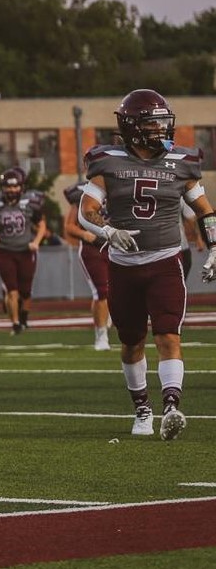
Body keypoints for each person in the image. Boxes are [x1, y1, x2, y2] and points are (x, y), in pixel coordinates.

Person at [77, 90, 216, 440]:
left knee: (169, 334)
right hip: (123, 265)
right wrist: (108, 231)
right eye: (152, 122)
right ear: (132, 126)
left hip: (166, 261)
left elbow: (205, 211)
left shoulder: (182, 162)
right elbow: (86, 212)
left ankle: (171, 406)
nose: (160, 128)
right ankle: (142, 409)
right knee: (131, 341)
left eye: (162, 121)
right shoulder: (106, 161)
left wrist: (214, 245)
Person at [0, 168, 48, 334]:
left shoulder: (29, 203)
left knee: (25, 291)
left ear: (22, 187)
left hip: (25, 251)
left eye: (15, 187)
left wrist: (36, 241)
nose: (12, 190)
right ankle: (15, 324)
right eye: (8, 187)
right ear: (2, 187)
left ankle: (23, 318)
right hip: (5, 251)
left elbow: (42, 225)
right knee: (12, 290)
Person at [61, 182, 113, 351]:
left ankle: (109, 318)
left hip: (117, 246)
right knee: (101, 291)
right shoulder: (83, 191)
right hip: (94, 249)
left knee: (118, 290)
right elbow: (69, 226)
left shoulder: (122, 182)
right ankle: (101, 334)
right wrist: (84, 233)